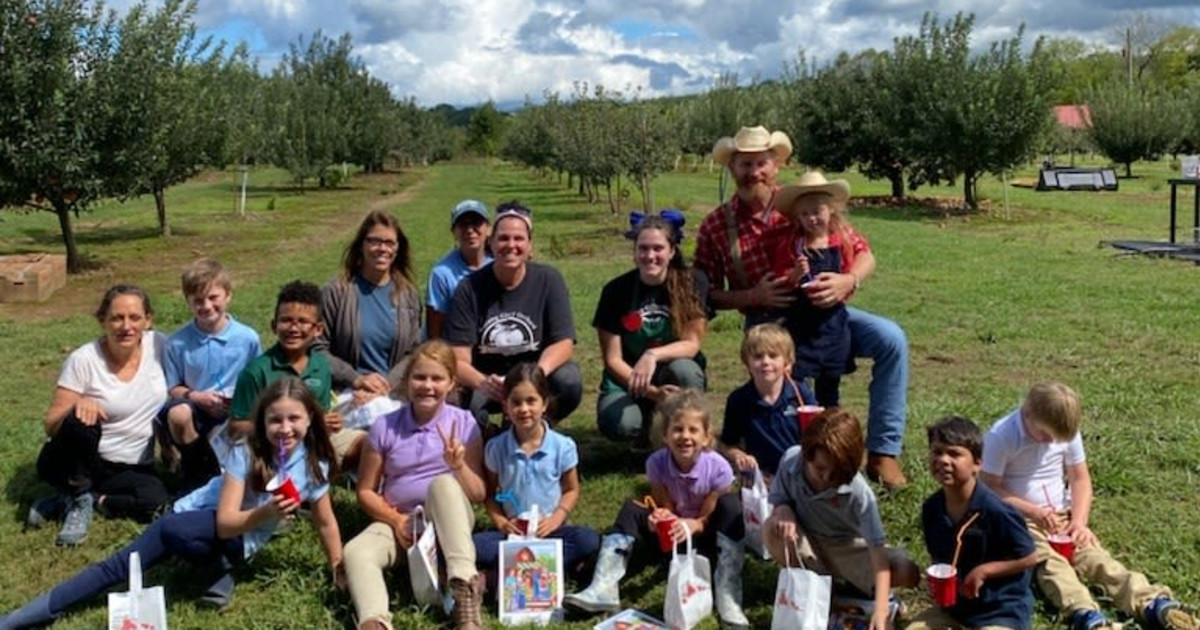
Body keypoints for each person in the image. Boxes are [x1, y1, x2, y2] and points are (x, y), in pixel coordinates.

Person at [0, 377, 345, 629]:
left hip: (239, 537)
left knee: (168, 533)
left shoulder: (315, 465)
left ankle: (218, 564)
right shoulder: (247, 451)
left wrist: (337, 568)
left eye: (294, 418)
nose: (284, 428)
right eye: (275, 419)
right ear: (262, 422)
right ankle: (30, 614)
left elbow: (326, 522)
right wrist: (266, 512)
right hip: (203, 514)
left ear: (311, 418)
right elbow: (223, 518)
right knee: (122, 564)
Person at [694, 125, 910, 488]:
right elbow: (705, 292)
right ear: (731, 169)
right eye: (744, 165)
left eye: (761, 163)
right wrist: (751, 297)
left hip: (827, 314)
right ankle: (800, 452)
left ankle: (883, 453)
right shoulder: (717, 225)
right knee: (784, 366)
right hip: (770, 322)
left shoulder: (804, 203)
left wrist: (847, 281)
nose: (754, 173)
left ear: (776, 165)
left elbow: (864, 253)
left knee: (891, 339)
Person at [980, 383, 1200, 630]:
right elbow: (989, 489)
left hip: (1061, 515)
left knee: (1094, 556)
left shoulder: (1065, 431)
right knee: (1049, 563)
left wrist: (1079, 522)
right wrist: (1033, 511)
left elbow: (1079, 478)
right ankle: (1085, 613)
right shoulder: (1002, 436)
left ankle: (1151, 602)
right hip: (1018, 519)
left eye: (1056, 439)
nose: (1050, 441)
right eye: (1045, 435)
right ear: (1027, 414)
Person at [564, 389, 749, 629]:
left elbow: (707, 516)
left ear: (706, 437)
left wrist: (693, 525)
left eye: (693, 430)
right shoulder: (656, 463)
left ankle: (727, 590)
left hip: (705, 538)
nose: (685, 436)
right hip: (671, 538)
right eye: (678, 429)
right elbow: (665, 505)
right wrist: (662, 517)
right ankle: (604, 585)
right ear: (665, 434)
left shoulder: (719, 468)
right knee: (632, 508)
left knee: (731, 505)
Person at [342, 340, 487, 630]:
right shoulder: (385, 426)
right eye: (420, 377)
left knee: (443, 484)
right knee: (356, 552)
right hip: (401, 520)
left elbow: (478, 494)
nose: (427, 386)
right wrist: (396, 520)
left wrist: (458, 466)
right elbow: (366, 491)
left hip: (447, 518)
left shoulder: (464, 422)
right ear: (407, 381)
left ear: (451, 384)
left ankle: (464, 593)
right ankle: (375, 620)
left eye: (437, 378)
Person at [27, 284, 170, 547]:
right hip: (82, 459)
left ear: (148, 320)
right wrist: (78, 404)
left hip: (132, 464)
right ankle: (78, 498)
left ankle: (88, 499)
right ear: (102, 321)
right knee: (83, 417)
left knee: (157, 504)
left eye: (134, 317)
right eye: (116, 318)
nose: (126, 326)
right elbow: (51, 424)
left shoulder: (160, 346)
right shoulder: (83, 359)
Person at [763, 409, 918, 630]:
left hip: (848, 550)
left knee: (905, 569)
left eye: (834, 473)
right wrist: (783, 509)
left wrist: (881, 611)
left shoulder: (858, 492)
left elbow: (877, 551)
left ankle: (859, 594)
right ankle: (812, 590)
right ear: (806, 455)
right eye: (820, 469)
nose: (826, 478)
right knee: (771, 529)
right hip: (808, 544)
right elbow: (779, 498)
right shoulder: (791, 462)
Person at [444, 201, 583, 429]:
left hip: (534, 373)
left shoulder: (549, 280)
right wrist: (483, 383)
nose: (511, 245)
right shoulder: (469, 288)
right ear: (491, 243)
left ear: (529, 245)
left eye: (519, 239)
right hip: (488, 380)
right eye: (503, 238)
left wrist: (534, 376)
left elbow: (564, 342)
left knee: (569, 380)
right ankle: (487, 438)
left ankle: (536, 429)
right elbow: (458, 359)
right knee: (467, 410)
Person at [473, 363, 600, 587]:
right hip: (514, 534)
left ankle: (503, 574)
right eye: (516, 402)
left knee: (588, 540)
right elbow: (491, 496)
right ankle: (555, 568)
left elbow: (571, 490)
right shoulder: (496, 448)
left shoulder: (563, 446)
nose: (524, 409)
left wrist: (556, 519)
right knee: (474, 546)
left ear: (545, 404)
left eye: (531, 401)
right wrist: (502, 522)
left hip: (550, 531)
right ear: (505, 405)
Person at [912, 415, 1038, 630]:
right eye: (937, 451)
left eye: (954, 454)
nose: (943, 460)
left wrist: (985, 571)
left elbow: (1030, 556)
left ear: (977, 463)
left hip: (1000, 611)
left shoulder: (997, 510)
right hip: (955, 608)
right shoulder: (932, 509)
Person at [317, 210, 421, 467]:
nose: (381, 248)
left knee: (390, 414)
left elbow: (414, 352)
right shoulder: (338, 291)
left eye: (389, 243)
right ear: (361, 245)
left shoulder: (406, 295)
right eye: (374, 241)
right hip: (345, 393)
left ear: (398, 249)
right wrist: (357, 379)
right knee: (386, 419)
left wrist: (385, 385)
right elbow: (317, 348)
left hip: (391, 392)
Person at [593, 211, 708, 442]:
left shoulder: (692, 283)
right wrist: (654, 394)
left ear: (672, 251)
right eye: (643, 248)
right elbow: (613, 359)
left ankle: (685, 432)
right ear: (634, 253)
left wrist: (652, 355)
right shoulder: (616, 291)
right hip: (628, 379)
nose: (650, 255)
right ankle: (646, 424)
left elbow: (691, 344)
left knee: (685, 371)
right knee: (621, 424)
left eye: (658, 248)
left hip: (671, 371)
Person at [159, 258, 262, 490]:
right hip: (197, 406)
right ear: (188, 302)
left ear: (228, 295)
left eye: (213, 297)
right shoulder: (178, 343)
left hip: (236, 407)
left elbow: (259, 381)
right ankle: (196, 470)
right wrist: (197, 397)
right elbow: (173, 388)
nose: (206, 306)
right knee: (178, 414)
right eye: (197, 300)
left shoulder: (248, 339)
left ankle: (243, 470)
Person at [772, 172, 862, 407]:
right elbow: (782, 278)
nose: (812, 218)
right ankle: (802, 423)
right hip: (802, 323)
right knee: (798, 380)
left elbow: (860, 261)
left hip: (833, 324)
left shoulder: (842, 239)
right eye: (805, 214)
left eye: (817, 211)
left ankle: (831, 429)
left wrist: (847, 281)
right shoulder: (793, 242)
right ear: (797, 217)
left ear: (830, 210)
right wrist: (795, 274)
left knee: (830, 385)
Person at [718, 323, 817, 481]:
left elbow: (816, 440)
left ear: (787, 361)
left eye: (773, 355)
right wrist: (739, 455)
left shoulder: (801, 396)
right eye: (758, 356)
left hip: (799, 476)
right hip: (761, 478)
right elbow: (727, 444)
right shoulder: (739, 400)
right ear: (746, 361)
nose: (765, 362)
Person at [426, 199, 492, 339]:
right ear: (453, 232)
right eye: (463, 224)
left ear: (488, 228)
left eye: (476, 222)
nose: (470, 230)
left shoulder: (500, 263)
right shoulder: (442, 273)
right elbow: (435, 329)